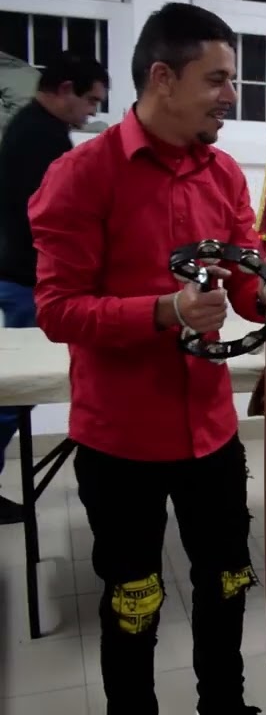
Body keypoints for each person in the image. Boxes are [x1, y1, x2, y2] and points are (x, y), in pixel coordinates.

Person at [27, 3, 266, 714]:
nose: (232, 95)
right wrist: (162, 310)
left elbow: (244, 291)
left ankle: (223, 705)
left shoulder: (222, 174)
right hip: (120, 440)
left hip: (210, 434)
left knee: (226, 581)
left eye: (235, 79)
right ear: (162, 77)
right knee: (134, 599)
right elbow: (56, 310)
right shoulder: (81, 175)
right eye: (218, 79)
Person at [0, 50, 110, 525]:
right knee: (13, 396)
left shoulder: (39, 129)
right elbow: (46, 226)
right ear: (64, 89)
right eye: (89, 101)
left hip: (25, 276)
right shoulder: (38, 139)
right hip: (28, 280)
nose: (91, 112)